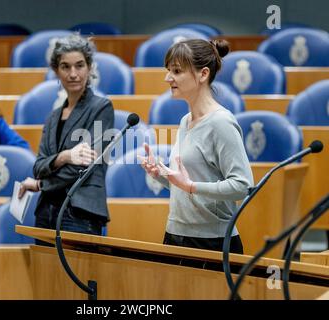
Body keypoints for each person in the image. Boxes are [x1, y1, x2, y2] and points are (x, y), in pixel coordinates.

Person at [140, 39, 254, 254]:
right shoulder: (185, 121)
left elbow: (242, 185)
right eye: (168, 70)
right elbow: (187, 184)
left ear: (203, 74)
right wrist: (161, 175)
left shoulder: (221, 123)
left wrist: (191, 186)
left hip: (213, 241)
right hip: (175, 234)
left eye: (176, 71)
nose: (168, 78)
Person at [18, 34, 114, 242]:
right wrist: (64, 156)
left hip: (80, 212)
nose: (73, 74)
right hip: (46, 211)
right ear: (56, 71)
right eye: (65, 67)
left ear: (89, 68)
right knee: (44, 274)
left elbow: (84, 166)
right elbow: (38, 167)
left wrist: (41, 185)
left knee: (73, 275)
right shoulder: (53, 117)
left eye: (79, 66)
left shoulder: (101, 108)